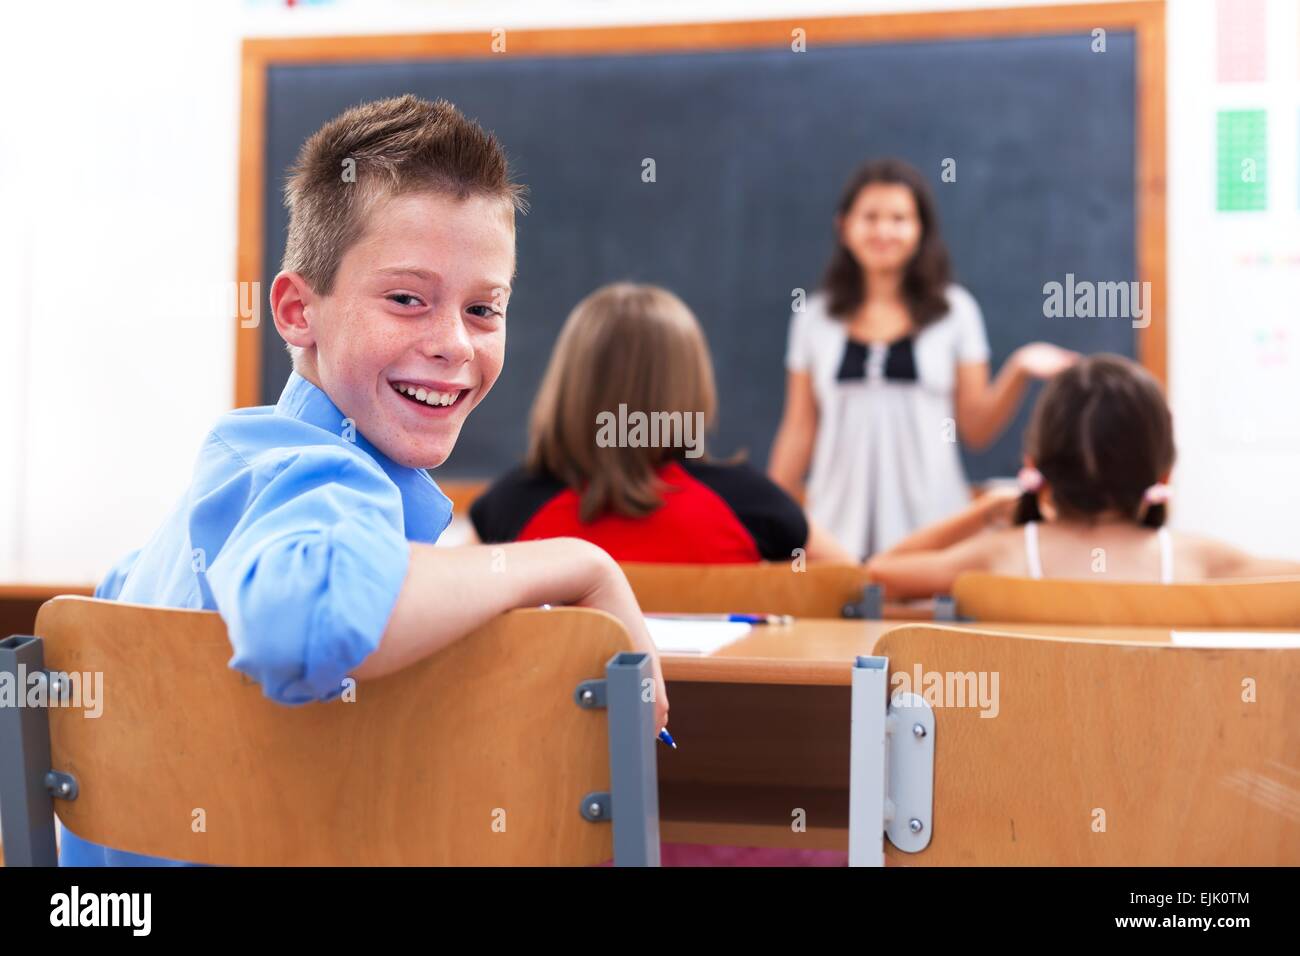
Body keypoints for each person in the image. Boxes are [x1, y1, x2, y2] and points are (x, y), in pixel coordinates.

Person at [63, 95, 668, 866]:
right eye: (407, 299)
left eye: (484, 309)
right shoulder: (318, 476)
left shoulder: (229, 476)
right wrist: (581, 561)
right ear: (296, 312)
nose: (452, 342)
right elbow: (310, 622)